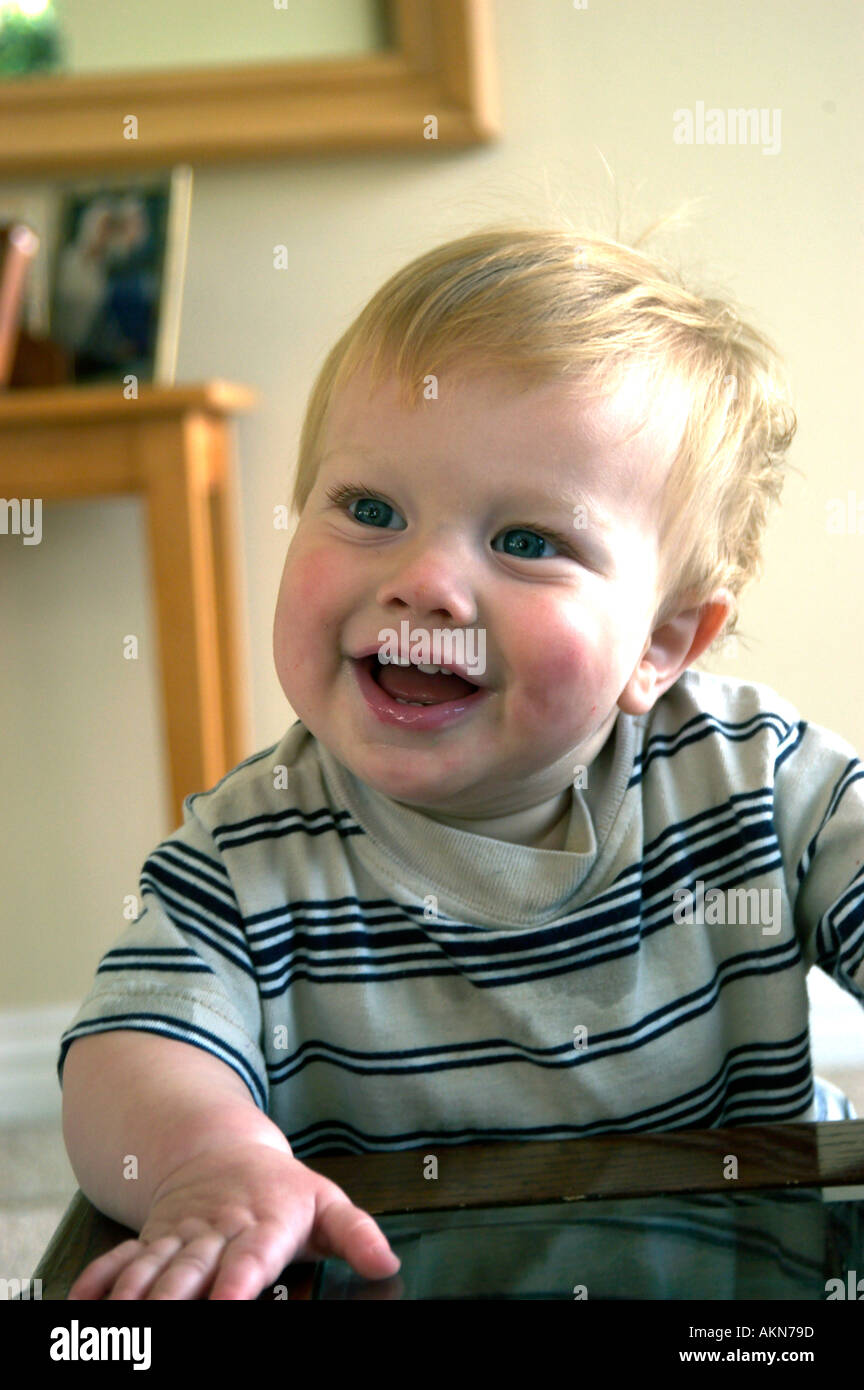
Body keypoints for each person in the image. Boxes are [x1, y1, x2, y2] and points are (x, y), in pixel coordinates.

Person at [58, 225, 864, 1301]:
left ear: (662, 645)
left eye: (527, 541)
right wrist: (213, 1159)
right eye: (370, 510)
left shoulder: (756, 783)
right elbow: (134, 1043)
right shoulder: (254, 850)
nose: (425, 580)